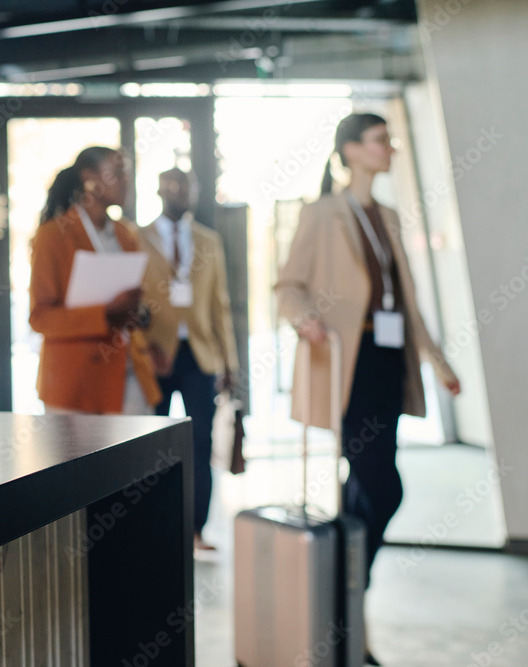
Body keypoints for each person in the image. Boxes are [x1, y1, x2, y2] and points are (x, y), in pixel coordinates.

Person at [275, 113, 461, 665]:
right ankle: (348, 586)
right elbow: (287, 284)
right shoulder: (323, 212)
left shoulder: (387, 215)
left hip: (387, 362)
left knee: (366, 481)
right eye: (382, 141)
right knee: (384, 486)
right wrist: (305, 319)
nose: (391, 149)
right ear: (351, 150)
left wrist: (439, 360)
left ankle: (345, 597)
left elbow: (406, 299)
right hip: (345, 362)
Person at [137, 167, 239, 559]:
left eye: (187, 186)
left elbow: (221, 307)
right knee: (152, 441)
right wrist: (145, 348)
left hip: (201, 355)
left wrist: (229, 362)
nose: (179, 192)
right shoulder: (138, 238)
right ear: (159, 190)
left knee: (201, 442)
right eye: (172, 185)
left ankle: (196, 528)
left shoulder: (209, 242)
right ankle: (157, 524)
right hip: (156, 356)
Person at [29, 146, 162, 414]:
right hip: (74, 384)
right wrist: (105, 313)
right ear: (89, 178)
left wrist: (139, 313)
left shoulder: (126, 234)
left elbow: (139, 304)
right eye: (118, 173)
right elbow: (40, 318)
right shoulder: (53, 235)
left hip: (128, 376)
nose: (127, 181)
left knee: (136, 455)